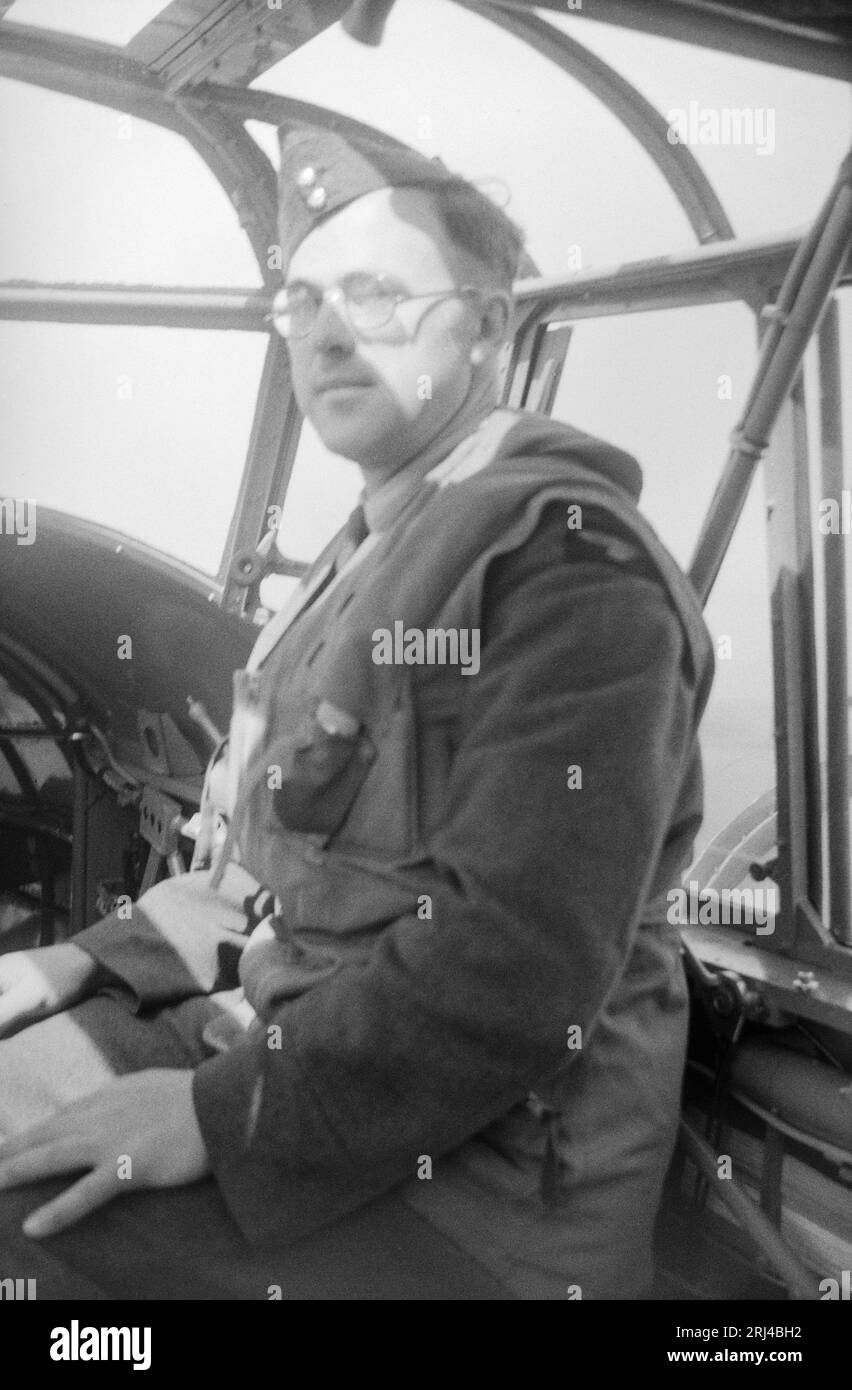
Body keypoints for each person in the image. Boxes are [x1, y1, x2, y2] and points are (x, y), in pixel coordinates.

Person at [0, 125, 714, 1300]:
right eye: (302, 302)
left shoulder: (567, 570)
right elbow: (274, 873)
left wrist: (222, 1116)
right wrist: (76, 965)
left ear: (489, 324)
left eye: (376, 295)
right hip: (292, 1051)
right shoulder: (378, 551)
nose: (326, 333)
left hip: (480, 1193)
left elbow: (520, 962)